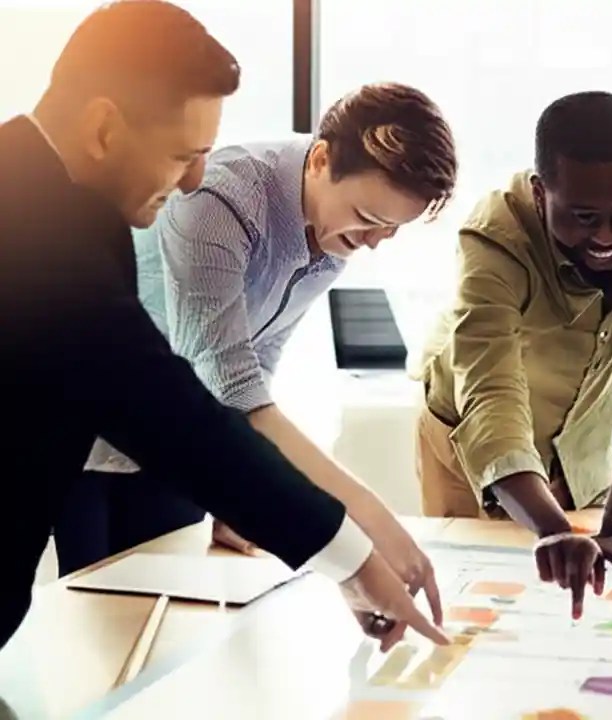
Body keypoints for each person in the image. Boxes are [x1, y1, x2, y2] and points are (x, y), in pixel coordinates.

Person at [0, 0, 445, 651]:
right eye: (184, 154)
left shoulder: (68, 212)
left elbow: (175, 411)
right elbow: (173, 406)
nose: (195, 181)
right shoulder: (39, 231)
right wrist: (353, 557)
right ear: (103, 129)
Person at [55, 81, 457, 591]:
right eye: (368, 219)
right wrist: (375, 526)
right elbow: (231, 384)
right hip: (89, 420)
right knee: (89, 606)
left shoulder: (335, 233)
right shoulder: (220, 197)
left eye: (393, 228)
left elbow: (258, 356)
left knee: (162, 606)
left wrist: (240, 493)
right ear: (320, 161)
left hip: (176, 431)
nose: (375, 242)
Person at [414, 91, 612, 617]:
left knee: (581, 613)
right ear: (538, 192)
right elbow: (492, 398)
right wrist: (553, 530)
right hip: (474, 451)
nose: (605, 237)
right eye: (582, 217)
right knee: (479, 620)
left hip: (581, 442)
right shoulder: (492, 236)